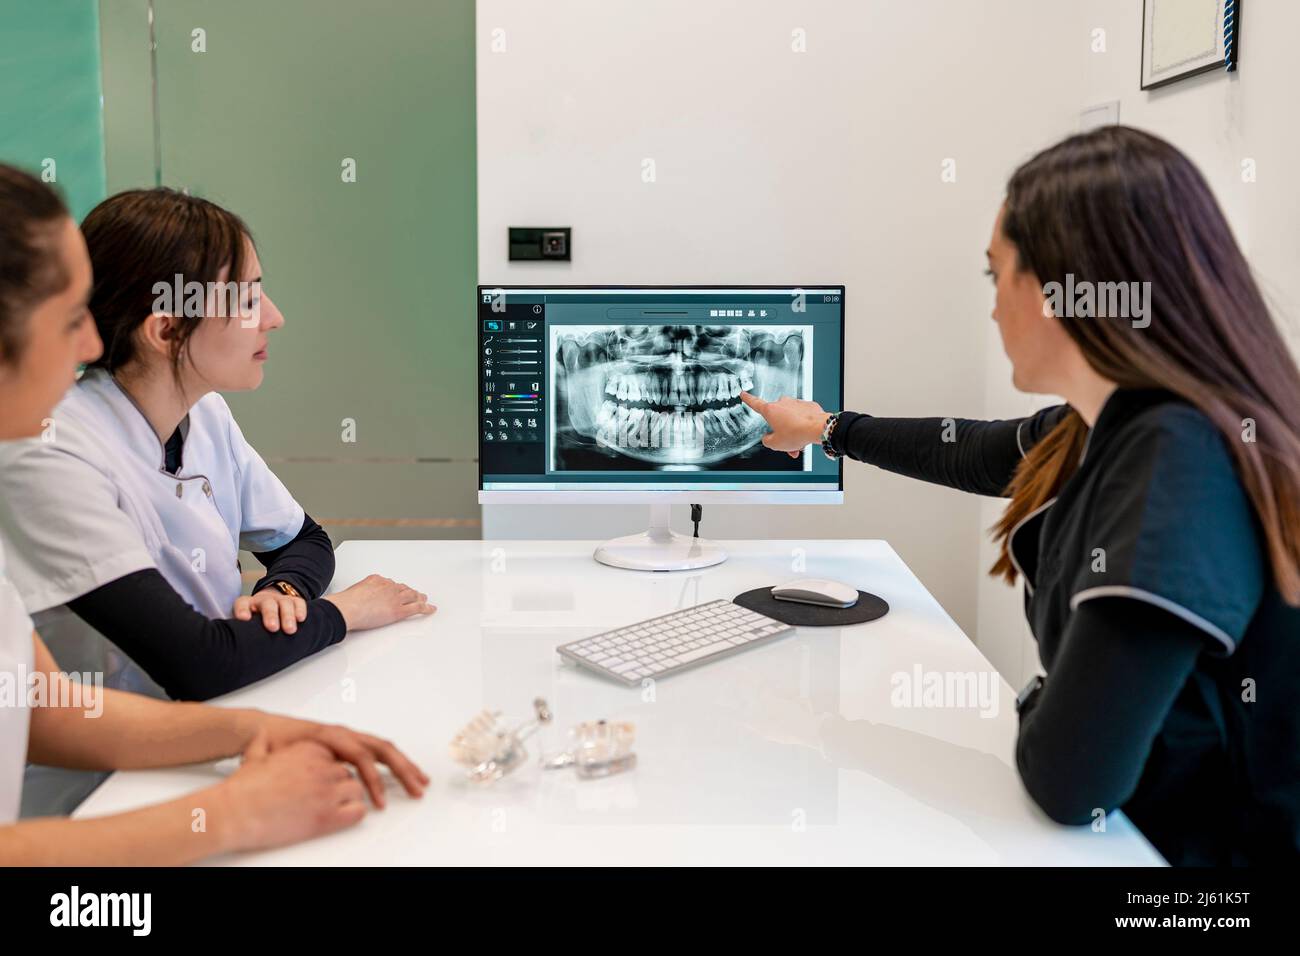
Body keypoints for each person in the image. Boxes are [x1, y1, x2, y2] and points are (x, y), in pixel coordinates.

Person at [740, 126, 1300, 866]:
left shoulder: (1179, 462)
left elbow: (1070, 780)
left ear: (1062, 289)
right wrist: (828, 428)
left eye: (995, 275)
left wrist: (1034, 694)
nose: (994, 307)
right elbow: (975, 450)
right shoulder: (1118, 419)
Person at [0, 163, 429, 864]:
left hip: (144, 763)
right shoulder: (42, 451)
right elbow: (192, 664)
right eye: (69, 317)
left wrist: (257, 729)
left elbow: (46, 710)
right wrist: (229, 814)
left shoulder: (200, 418)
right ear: (166, 331)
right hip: (81, 812)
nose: (88, 348)